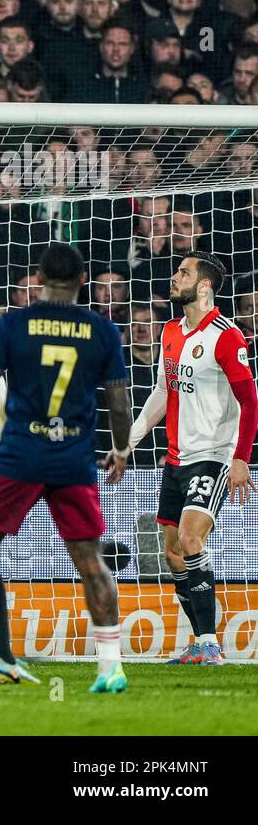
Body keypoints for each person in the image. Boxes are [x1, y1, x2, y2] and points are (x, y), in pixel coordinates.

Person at [0, 243, 135, 694]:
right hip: (74, 457)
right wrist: (121, 449)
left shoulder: (13, 325)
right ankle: (111, 667)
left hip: (21, 455)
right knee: (90, 560)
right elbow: (120, 402)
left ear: (40, 279)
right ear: (83, 280)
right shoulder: (102, 331)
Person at [124, 251, 258, 666]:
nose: (174, 277)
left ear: (203, 286)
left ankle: (209, 643)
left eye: (183, 272)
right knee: (171, 552)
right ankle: (202, 642)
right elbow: (164, 392)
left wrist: (240, 458)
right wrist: (129, 439)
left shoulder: (226, 335)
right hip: (176, 459)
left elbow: (250, 402)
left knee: (189, 539)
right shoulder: (170, 331)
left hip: (213, 456)